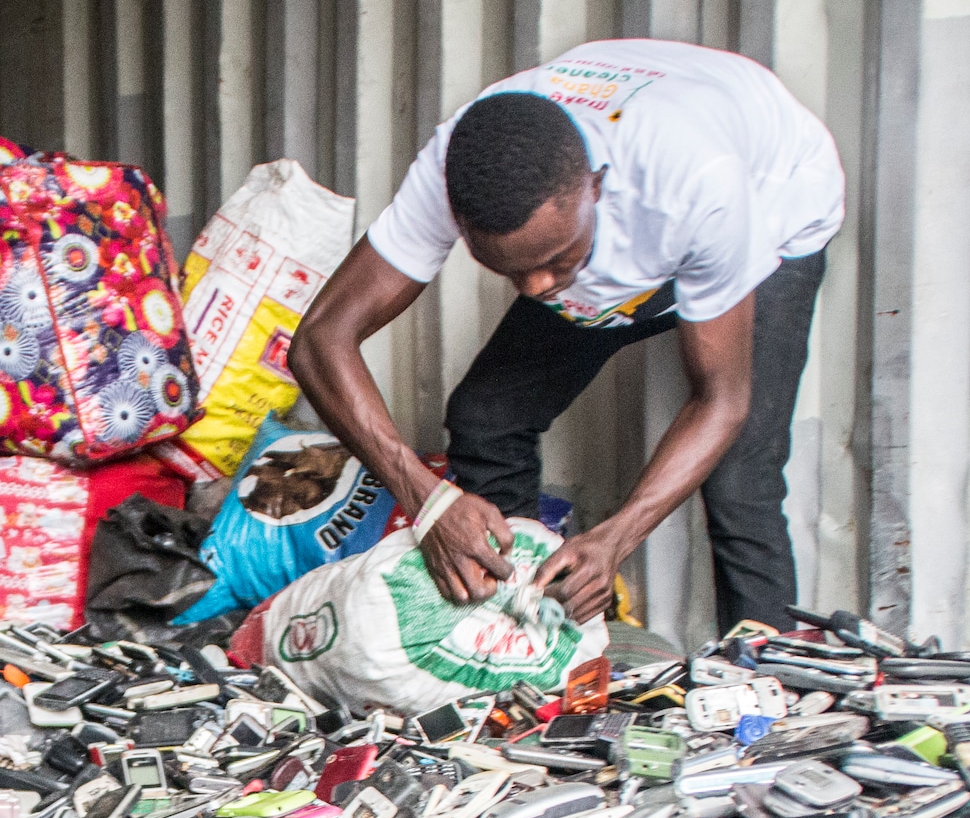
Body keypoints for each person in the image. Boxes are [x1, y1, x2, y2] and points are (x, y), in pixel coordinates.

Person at [292, 39, 843, 636]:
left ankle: (766, 690)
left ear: (596, 187)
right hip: (640, 198)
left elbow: (722, 400)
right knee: (487, 415)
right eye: (506, 268)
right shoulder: (461, 164)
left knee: (740, 478)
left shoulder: (697, 187)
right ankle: (520, 628)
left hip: (774, 210)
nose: (534, 289)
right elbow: (321, 339)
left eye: (556, 260)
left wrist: (615, 537)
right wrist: (428, 500)